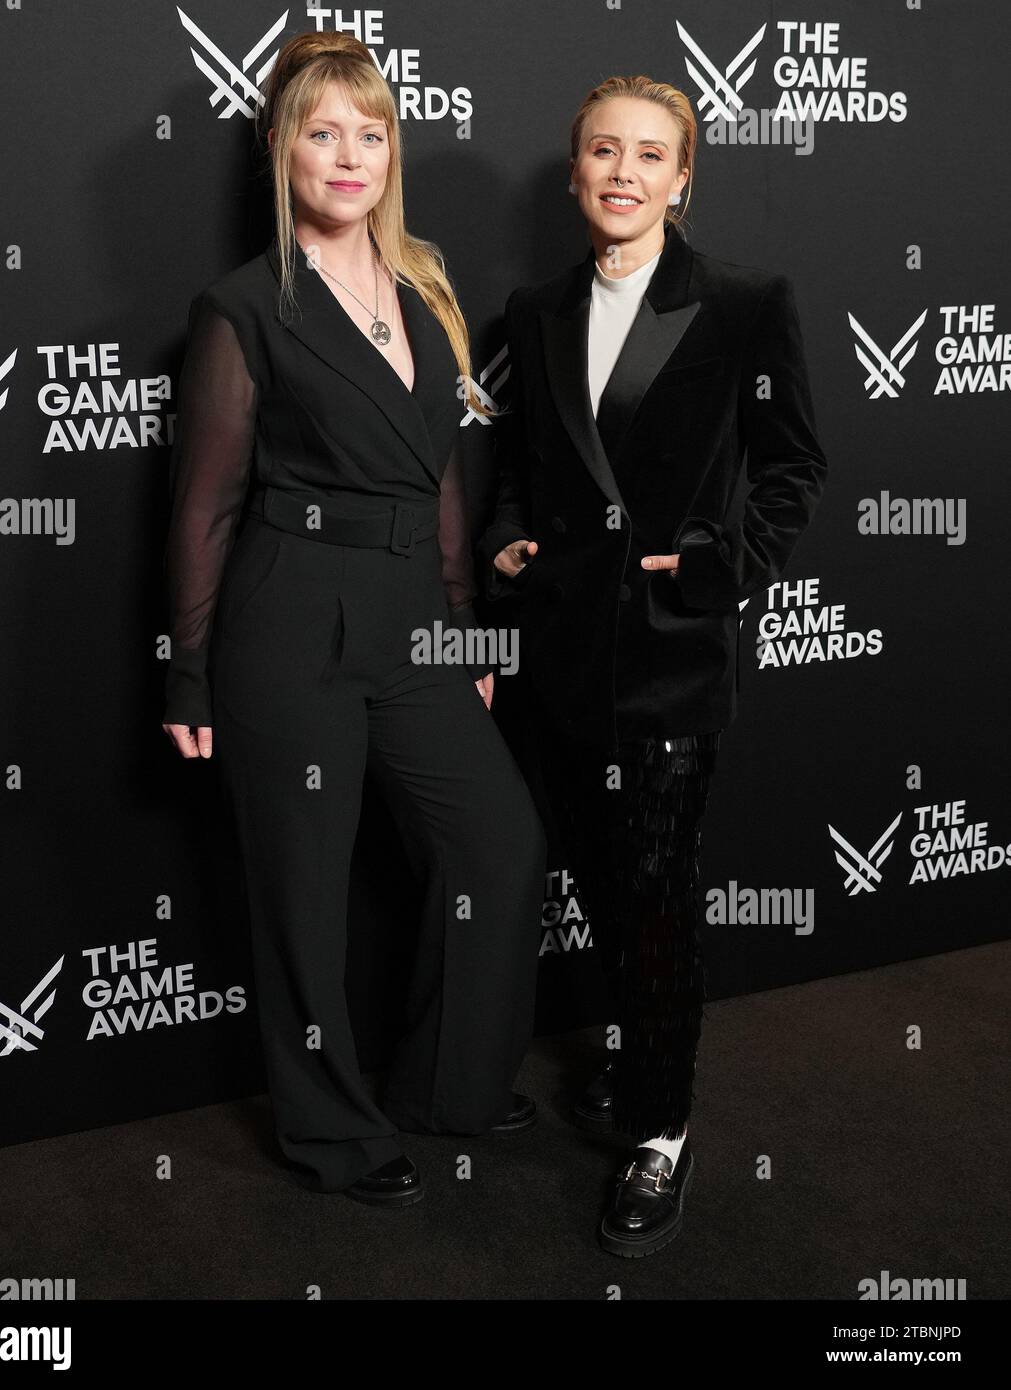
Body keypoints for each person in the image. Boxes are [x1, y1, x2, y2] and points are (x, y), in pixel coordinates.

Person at [161, 31, 547, 1206]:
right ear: (283, 149)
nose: (348, 155)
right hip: (290, 618)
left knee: (500, 844)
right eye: (322, 132)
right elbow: (204, 506)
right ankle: (330, 1130)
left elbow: (437, 474)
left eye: (370, 133)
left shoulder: (423, 280)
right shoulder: (244, 304)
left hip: (413, 622)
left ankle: (448, 1084)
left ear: (392, 150)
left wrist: (464, 626)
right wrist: (186, 673)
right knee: (303, 888)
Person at [477, 75, 828, 1255]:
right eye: (599, 151)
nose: (621, 172)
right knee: (598, 882)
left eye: (647, 155)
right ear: (574, 172)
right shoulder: (529, 308)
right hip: (558, 657)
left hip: (671, 662)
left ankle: (660, 1131)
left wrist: (720, 566)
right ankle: (636, 1053)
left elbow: (791, 466)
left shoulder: (739, 304)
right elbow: (519, 461)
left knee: (659, 897)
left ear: (683, 180)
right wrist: (504, 541)